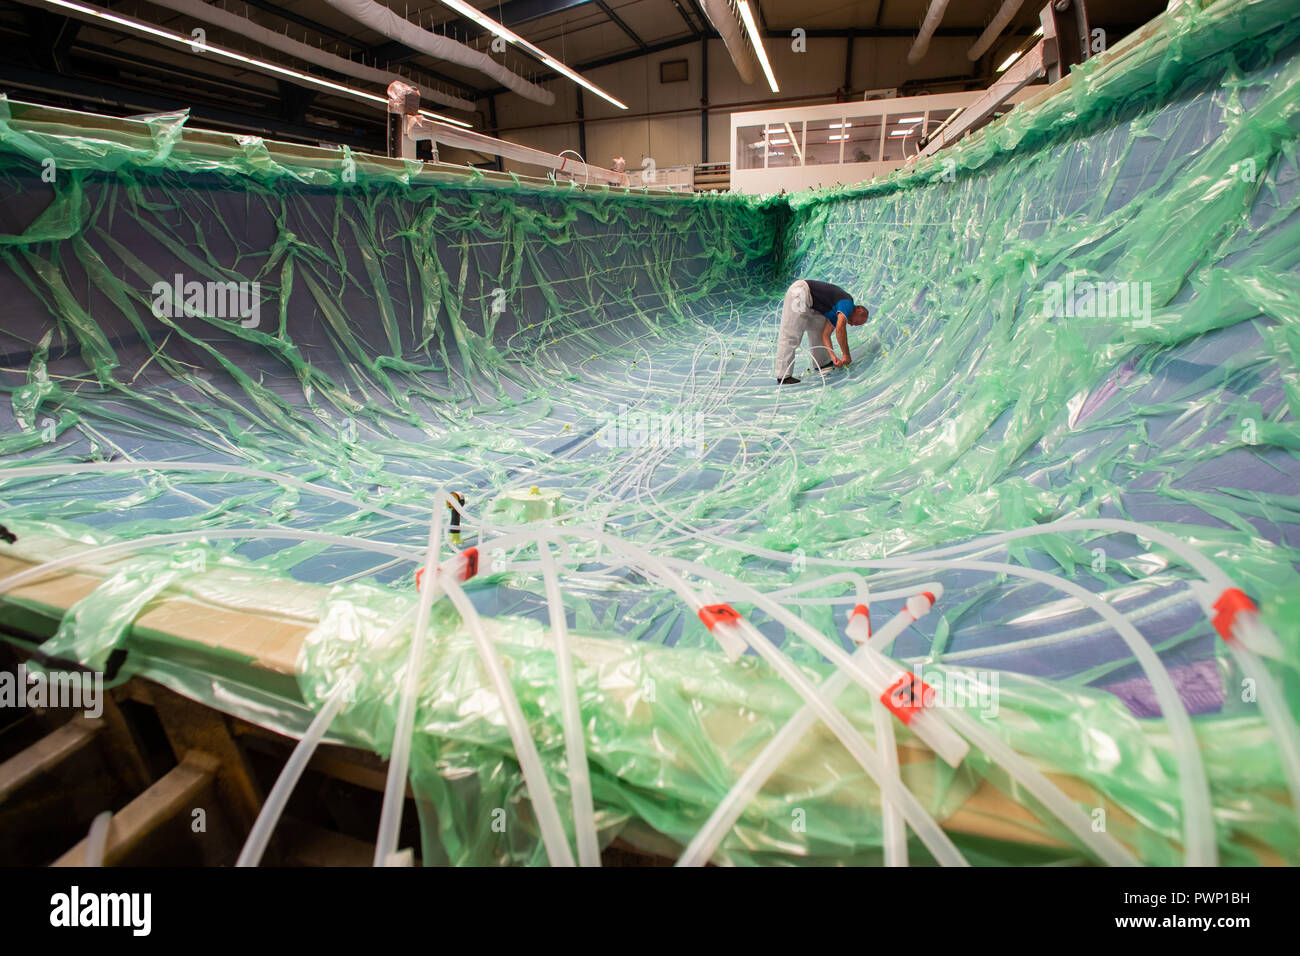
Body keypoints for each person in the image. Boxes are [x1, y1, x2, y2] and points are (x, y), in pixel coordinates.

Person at [775, 279, 870, 384]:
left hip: (812, 303)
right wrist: (846, 355)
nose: (852, 324)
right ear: (858, 310)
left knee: (818, 329)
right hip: (800, 292)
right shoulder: (847, 304)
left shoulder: (836, 313)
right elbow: (840, 329)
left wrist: (833, 357)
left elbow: (825, 335)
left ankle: (823, 363)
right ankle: (783, 375)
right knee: (791, 334)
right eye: (856, 322)